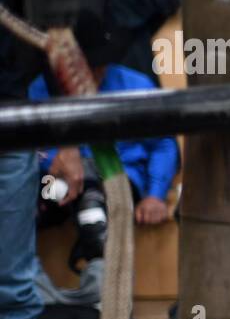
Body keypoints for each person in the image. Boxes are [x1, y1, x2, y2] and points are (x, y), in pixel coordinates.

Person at [30, 61, 180, 273]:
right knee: (26, 203)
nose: (89, 73)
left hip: (120, 180)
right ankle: (30, 290)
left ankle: (102, 292)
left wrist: (155, 195)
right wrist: (52, 162)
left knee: (91, 198)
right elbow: (30, 149)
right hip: (58, 184)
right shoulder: (42, 87)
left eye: (96, 66)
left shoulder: (136, 85)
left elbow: (163, 144)